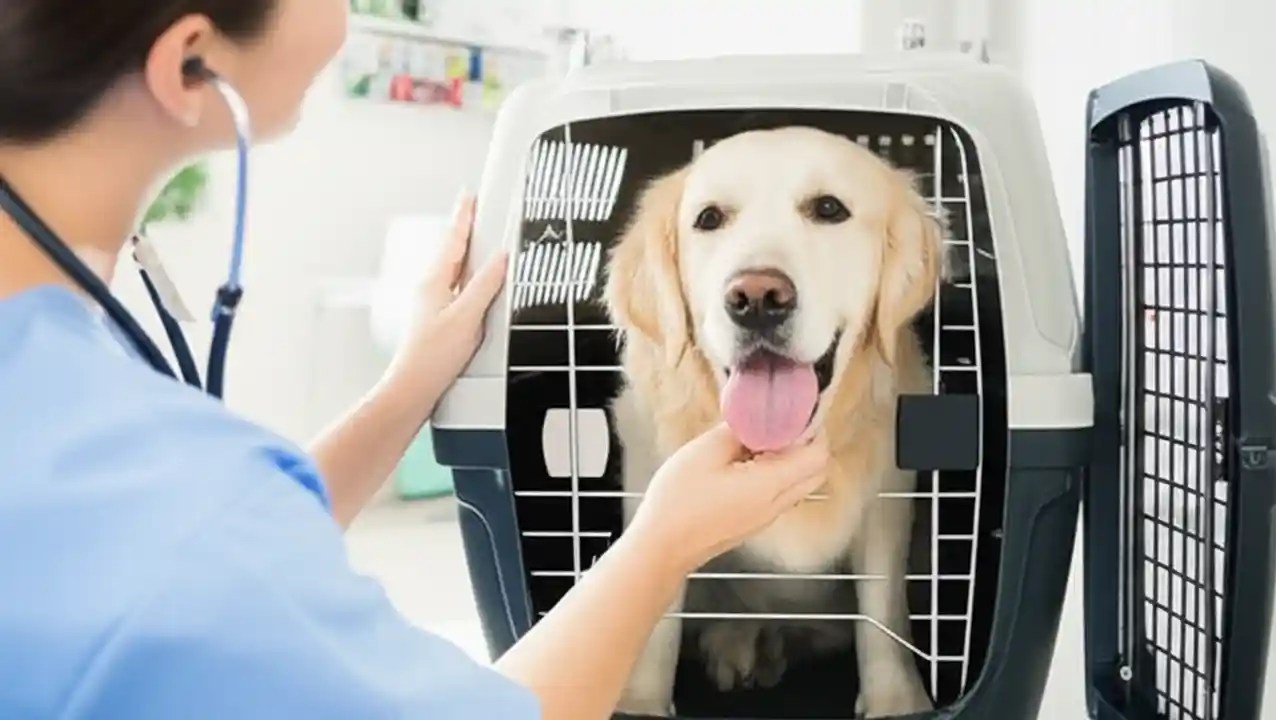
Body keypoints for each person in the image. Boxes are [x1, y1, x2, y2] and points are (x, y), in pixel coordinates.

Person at [0, 2, 831, 719]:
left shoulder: (78, 435)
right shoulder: (171, 518)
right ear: (188, 61)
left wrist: (408, 388)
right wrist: (662, 541)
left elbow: (186, 559)